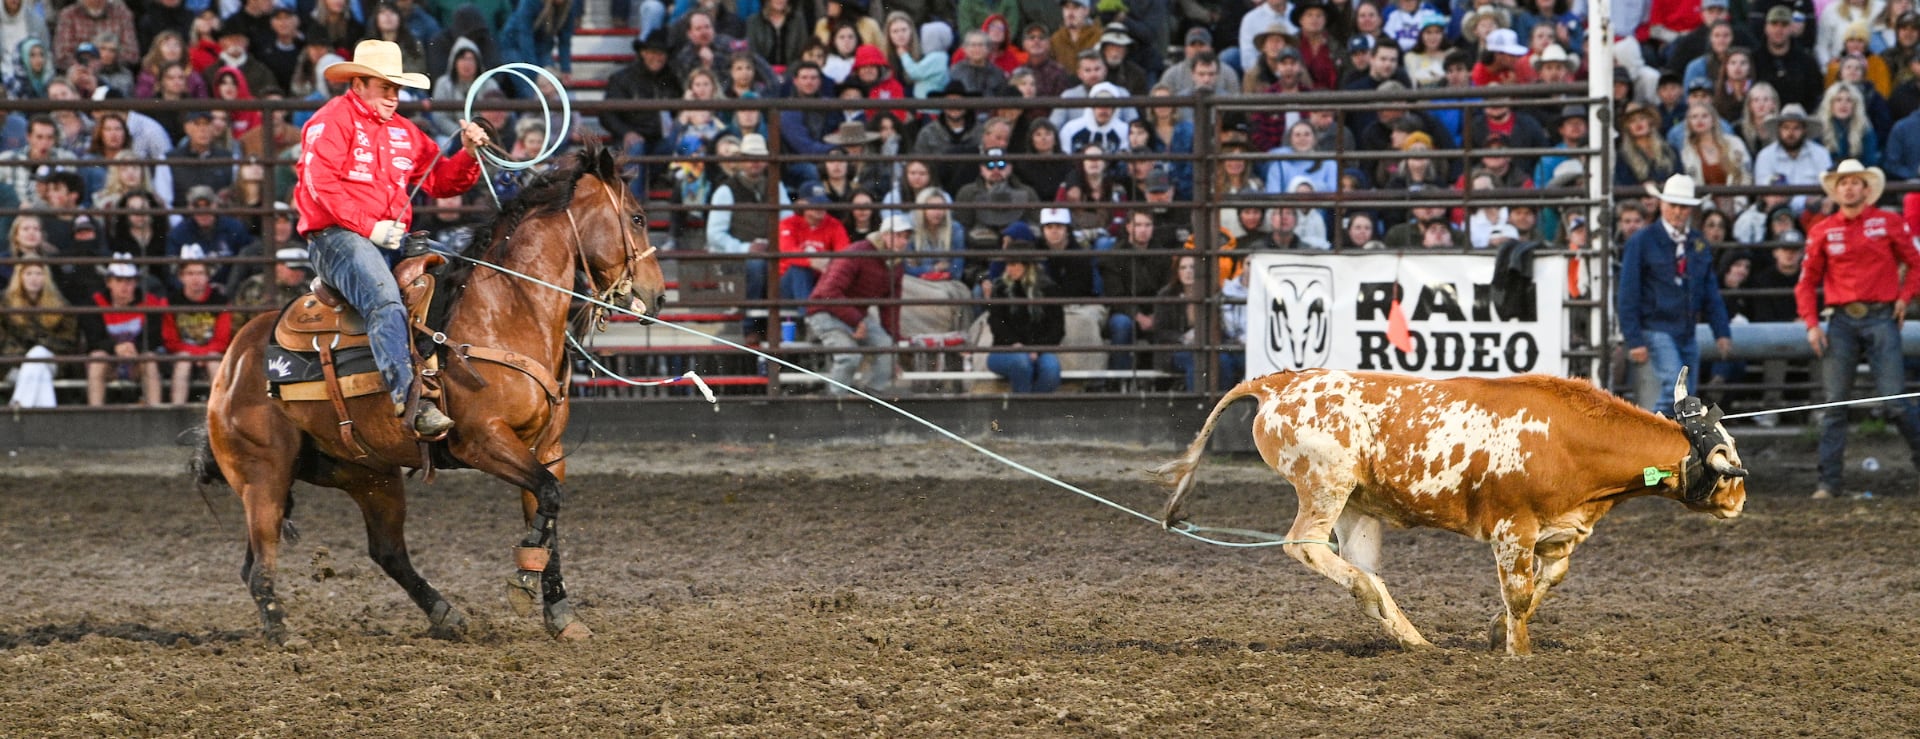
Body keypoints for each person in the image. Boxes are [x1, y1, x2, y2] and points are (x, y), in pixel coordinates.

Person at [295, 39, 489, 438]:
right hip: (335, 238)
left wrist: (468, 153)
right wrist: (368, 227)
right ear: (360, 82)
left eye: (397, 89)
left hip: (387, 237)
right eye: (386, 88)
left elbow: (440, 180)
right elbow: (320, 185)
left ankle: (438, 369)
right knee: (383, 296)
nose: (394, 97)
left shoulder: (406, 132)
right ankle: (410, 397)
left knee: (457, 274)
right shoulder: (331, 121)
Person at [1797, 160, 1920, 499]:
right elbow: (1806, 281)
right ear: (1836, 191)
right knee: (1835, 403)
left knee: (1895, 401)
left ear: (1866, 189)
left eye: (1855, 183)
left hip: (1881, 315)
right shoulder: (1822, 230)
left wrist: (1904, 298)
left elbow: (1916, 263)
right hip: (1841, 320)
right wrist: (1811, 324)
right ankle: (1828, 482)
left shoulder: (1888, 222)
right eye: (1843, 183)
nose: (1849, 188)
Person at [1617, 174, 1734, 416]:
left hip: (1685, 329)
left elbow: (1709, 289)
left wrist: (1721, 330)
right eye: (1674, 206)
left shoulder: (1696, 242)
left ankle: (1669, 446)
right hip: (1657, 327)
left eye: (1684, 207)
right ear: (1662, 205)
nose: (1678, 212)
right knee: (1676, 388)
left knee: (1686, 394)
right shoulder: (1642, 242)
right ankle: (1651, 433)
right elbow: (1628, 292)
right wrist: (1634, 338)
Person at [805, 213, 910, 396]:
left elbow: (890, 307)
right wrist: (856, 320)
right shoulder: (858, 253)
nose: (903, 242)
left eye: (905, 237)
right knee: (849, 356)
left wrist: (893, 341)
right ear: (884, 235)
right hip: (824, 311)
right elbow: (828, 293)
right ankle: (835, 400)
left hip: (853, 314)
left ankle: (869, 396)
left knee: (887, 351)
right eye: (898, 236)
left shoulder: (896, 265)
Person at [982, 226, 1065, 393]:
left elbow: (1057, 328)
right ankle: (1022, 412)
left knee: (1052, 369)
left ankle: (1036, 412)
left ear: (1027, 265)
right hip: (1004, 349)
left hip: (1040, 349)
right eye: (1007, 264)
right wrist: (1015, 344)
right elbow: (997, 323)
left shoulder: (1048, 289)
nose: (1008, 269)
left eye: (1013, 264)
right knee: (1021, 362)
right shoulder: (1001, 288)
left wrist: (1036, 348)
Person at [3, 259, 84, 408]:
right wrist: (26, 353)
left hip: (51, 362)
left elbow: (67, 342)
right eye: (28, 273)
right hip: (12, 366)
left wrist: (36, 345)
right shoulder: (4, 304)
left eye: (39, 274)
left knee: (38, 353)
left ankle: (18, 407)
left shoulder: (60, 305)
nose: (34, 278)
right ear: (19, 277)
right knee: (39, 372)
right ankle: (46, 419)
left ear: (46, 278)